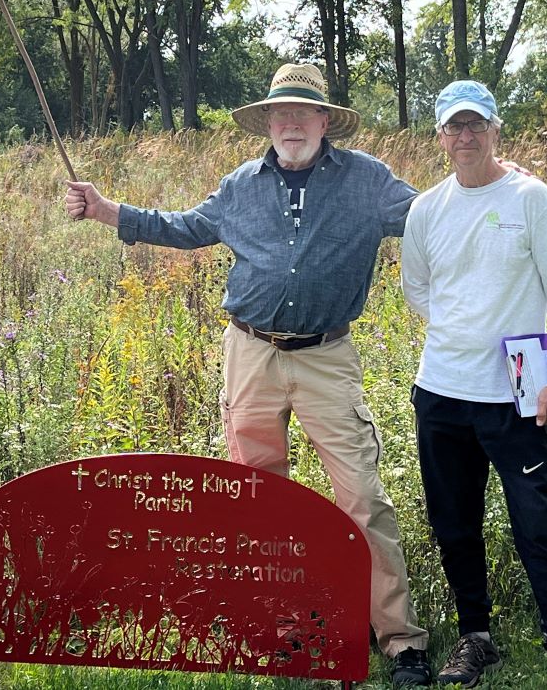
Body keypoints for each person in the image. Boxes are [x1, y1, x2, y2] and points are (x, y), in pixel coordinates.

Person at [66, 63, 432, 687]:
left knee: (362, 498)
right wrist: (107, 210)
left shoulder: (368, 182)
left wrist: (498, 190)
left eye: (303, 112)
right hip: (250, 354)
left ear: (325, 121)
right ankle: (273, 625)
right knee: (257, 495)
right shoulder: (240, 186)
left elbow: (433, 219)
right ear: (267, 122)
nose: (290, 122)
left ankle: (399, 640)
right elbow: (184, 227)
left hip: (326, 356)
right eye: (279, 112)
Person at [401, 80, 547, 690]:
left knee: (537, 524)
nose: (465, 136)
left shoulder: (532, 198)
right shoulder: (426, 208)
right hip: (441, 390)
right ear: (439, 136)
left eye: (475, 124)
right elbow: (418, 290)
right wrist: (466, 328)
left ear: (495, 129)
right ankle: (475, 639)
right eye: (454, 127)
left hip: (517, 392)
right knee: (453, 523)